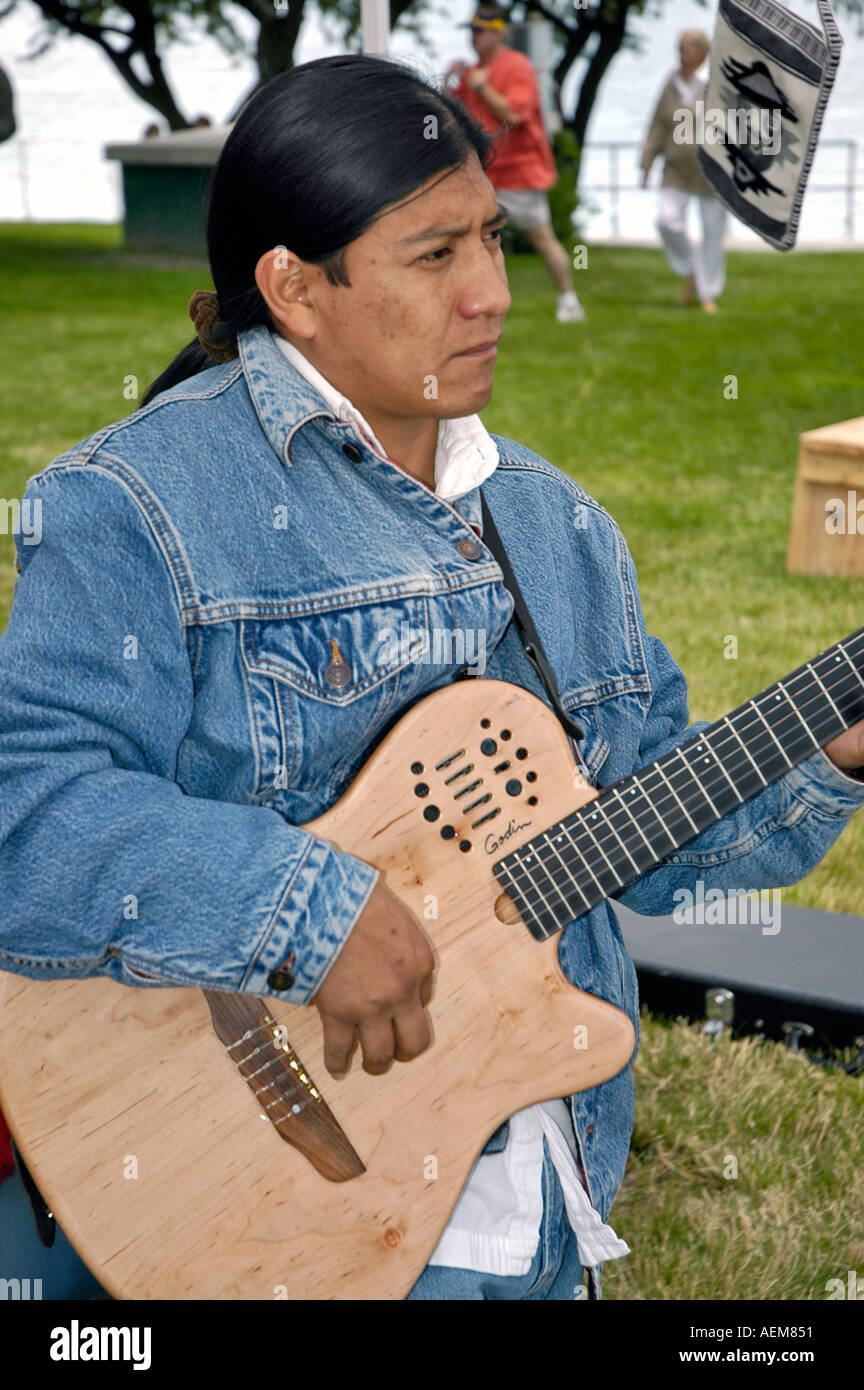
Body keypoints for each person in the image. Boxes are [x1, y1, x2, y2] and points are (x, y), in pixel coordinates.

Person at [1, 55, 862, 1303]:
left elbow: (650, 825)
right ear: (293, 288)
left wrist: (825, 755)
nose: (492, 296)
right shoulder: (140, 505)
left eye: (495, 242)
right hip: (255, 1194)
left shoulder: (556, 527)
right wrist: (307, 912)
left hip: (535, 1193)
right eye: (435, 254)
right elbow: (27, 810)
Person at [447, 5, 585, 324]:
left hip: (519, 172)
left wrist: (482, 86)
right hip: (483, 172)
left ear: (497, 33)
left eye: (479, 31)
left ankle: (569, 300)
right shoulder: (473, 71)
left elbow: (514, 115)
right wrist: (451, 79)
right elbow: (457, 113)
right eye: (471, 32)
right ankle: (478, 303)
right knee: (471, 238)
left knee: (541, 236)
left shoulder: (517, 66)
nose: (473, 38)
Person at [641, 30, 727, 313]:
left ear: (703, 51)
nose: (680, 56)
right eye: (678, 50)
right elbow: (657, 123)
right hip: (676, 167)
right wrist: (646, 161)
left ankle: (707, 293)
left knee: (713, 231)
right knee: (667, 220)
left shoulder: (719, 80)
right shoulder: (672, 81)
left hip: (712, 169)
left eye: (685, 50)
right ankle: (692, 270)